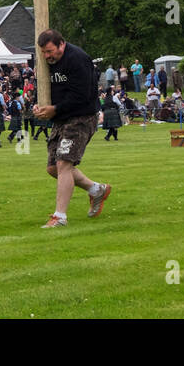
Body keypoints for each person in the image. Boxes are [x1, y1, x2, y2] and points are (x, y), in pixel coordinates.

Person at [33, 30, 111, 228]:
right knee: (53, 168)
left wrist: (54, 109)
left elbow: (82, 95)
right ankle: (96, 190)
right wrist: (40, 104)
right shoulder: (46, 63)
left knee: (63, 163)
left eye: (50, 51)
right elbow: (47, 87)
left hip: (82, 117)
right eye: (44, 52)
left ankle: (60, 217)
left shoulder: (77, 59)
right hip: (61, 118)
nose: (47, 56)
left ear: (61, 44)